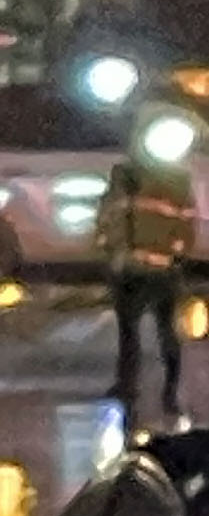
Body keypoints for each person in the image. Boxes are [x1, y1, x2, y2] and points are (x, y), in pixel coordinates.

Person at [98, 111, 195, 420]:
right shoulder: (126, 175)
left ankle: (165, 392)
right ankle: (131, 387)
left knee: (161, 333)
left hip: (158, 270)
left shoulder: (174, 180)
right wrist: (110, 249)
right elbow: (109, 214)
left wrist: (175, 253)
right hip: (133, 269)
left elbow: (186, 225)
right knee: (133, 333)